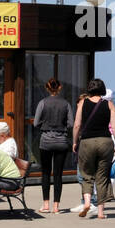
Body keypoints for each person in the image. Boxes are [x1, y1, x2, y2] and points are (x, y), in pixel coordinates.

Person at [72, 78, 115, 218]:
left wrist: (75, 142)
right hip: (105, 142)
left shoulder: (82, 103)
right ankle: (100, 212)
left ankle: (87, 202)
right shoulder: (109, 104)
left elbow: (77, 125)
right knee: (102, 177)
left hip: (87, 141)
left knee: (87, 174)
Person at [33, 78, 74, 214]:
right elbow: (71, 123)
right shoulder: (66, 104)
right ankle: (56, 206)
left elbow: (36, 122)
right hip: (61, 140)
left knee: (45, 173)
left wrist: (44, 126)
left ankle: (46, 204)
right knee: (58, 175)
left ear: (47, 88)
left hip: (45, 141)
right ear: (60, 87)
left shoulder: (42, 103)